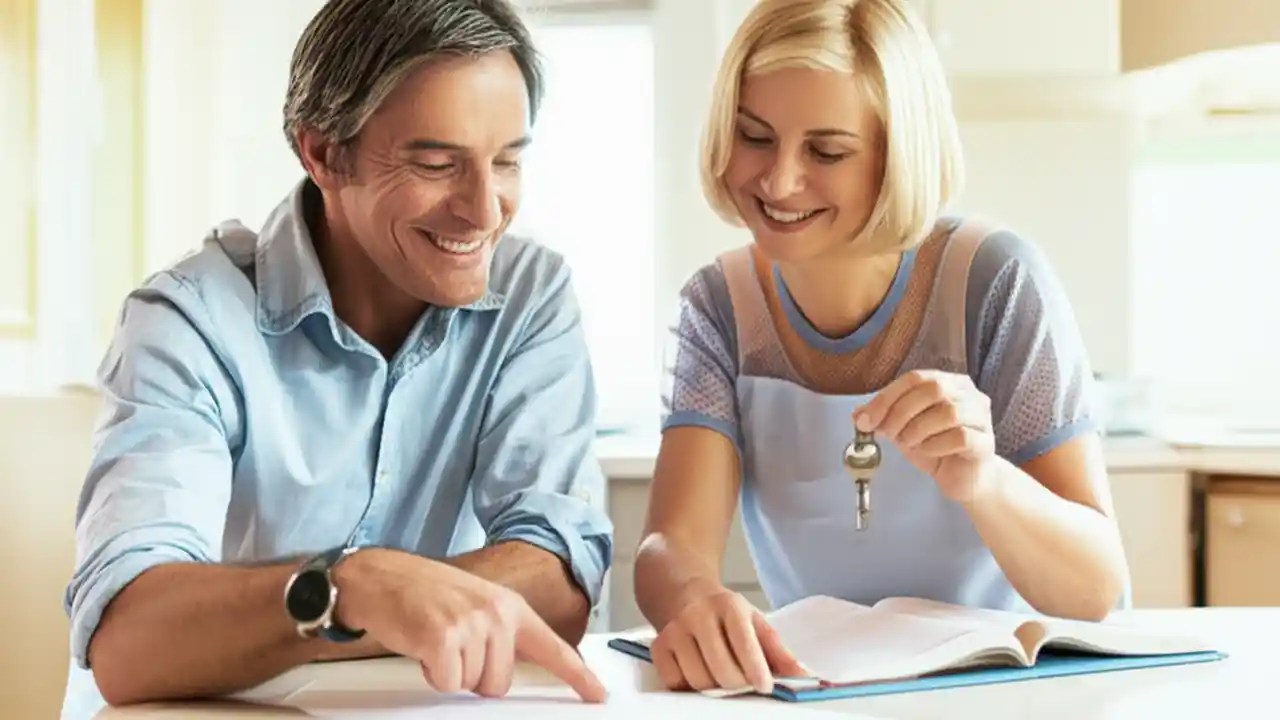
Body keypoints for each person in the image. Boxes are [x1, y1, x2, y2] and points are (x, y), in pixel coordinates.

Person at [60, 1, 613, 716]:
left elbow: (559, 583)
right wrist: (350, 590)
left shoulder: (529, 296)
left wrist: (378, 598)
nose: (485, 211)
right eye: (437, 163)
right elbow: (132, 642)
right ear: (322, 153)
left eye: (507, 160)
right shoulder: (187, 323)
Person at [633, 0, 1131, 696]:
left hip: (1021, 694)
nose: (778, 181)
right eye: (754, 137)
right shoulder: (717, 308)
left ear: (897, 154)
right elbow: (671, 546)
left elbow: (1095, 589)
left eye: (827, 151)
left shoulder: (995, 283)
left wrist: (984, 480)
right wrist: (691, 599)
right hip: (831, 693)